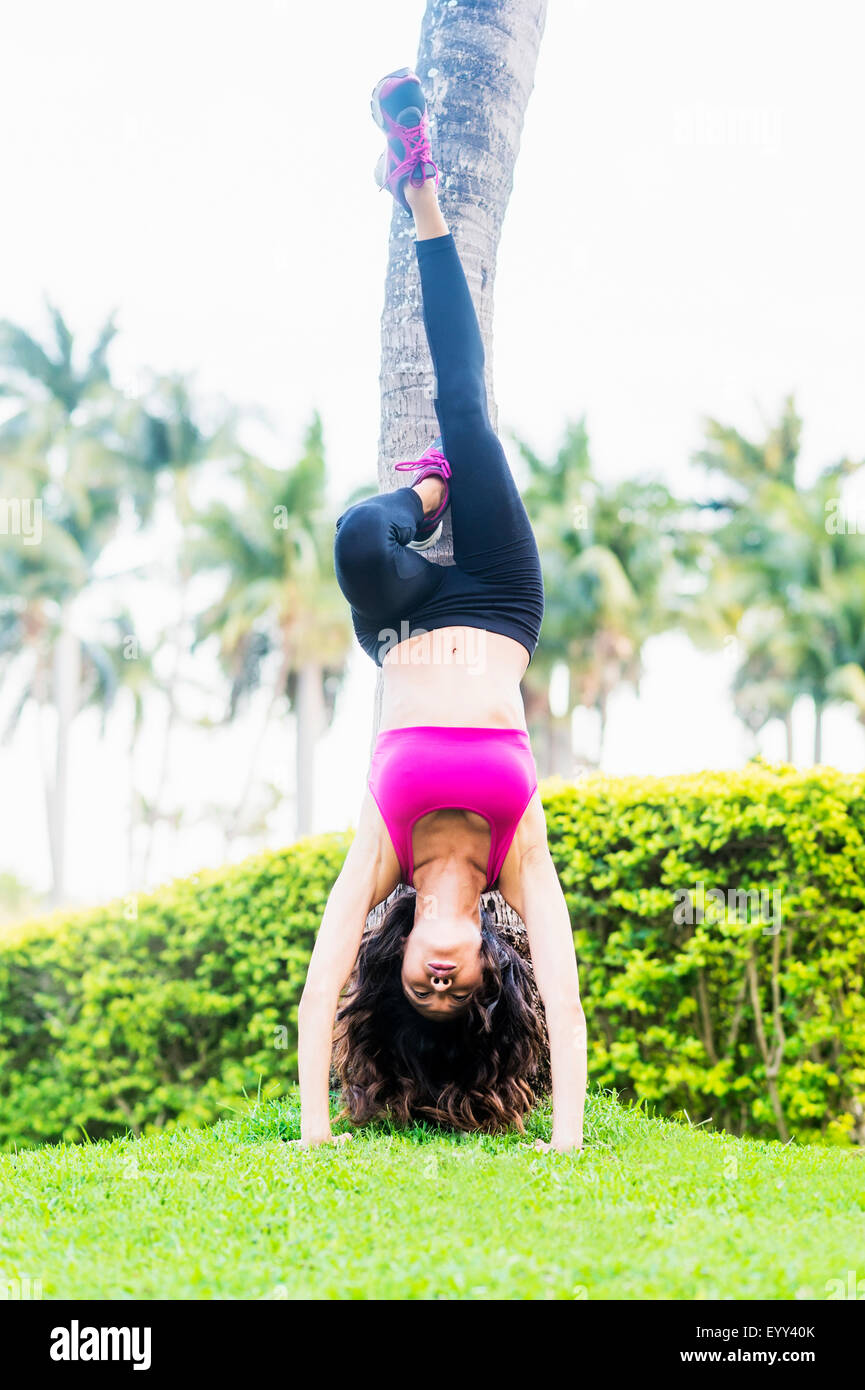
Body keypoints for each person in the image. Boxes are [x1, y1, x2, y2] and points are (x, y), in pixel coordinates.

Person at [297, 68, 586, 1153]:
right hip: (504, 602)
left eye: (417, 989)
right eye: (453, 990)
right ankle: (416, 182)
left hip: (406, 619)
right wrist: (562, 1145)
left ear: (405, 953)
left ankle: (422, 491)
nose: (433, 978)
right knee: (469, 407)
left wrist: (319, 1135)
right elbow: (564, 1005)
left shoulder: (379, 853)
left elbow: (324, 987)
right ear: (479, 966)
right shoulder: (521, 854)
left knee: (355, 539)